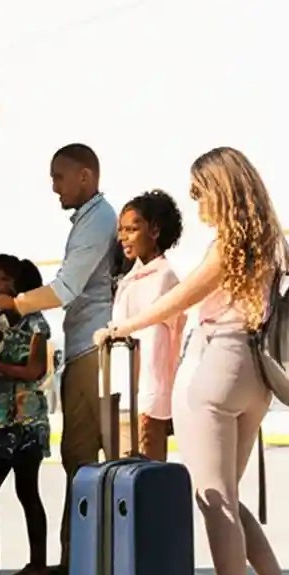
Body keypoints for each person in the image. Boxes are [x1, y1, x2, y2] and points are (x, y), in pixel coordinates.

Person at [95, 147, 289, 575]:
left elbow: (180, 299)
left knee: (211, 500)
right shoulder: (274, 245)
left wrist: (121, 326)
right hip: (256, 377)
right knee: (229, 498)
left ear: (220, 190)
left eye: (200, 195)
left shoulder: (227, 246)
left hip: (214, 369)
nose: (198, 207)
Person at [0, 143, 120, 575]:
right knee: (76, 461)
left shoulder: (99, 219)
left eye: (59, 177)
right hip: (83, 348)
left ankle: (83, 563)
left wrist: (14, 304)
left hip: (93, 350)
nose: (54, 187)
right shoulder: (89, 219)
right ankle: (71, 561)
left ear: (85, 176)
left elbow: (64, 289)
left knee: (90, 462)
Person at [0, 255, 52, 575]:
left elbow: (35, 371)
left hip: (25, 421)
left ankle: (38, 566)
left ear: (9, 284)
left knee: (26, 491)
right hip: (2, 418)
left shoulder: (35, 323)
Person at [110, 189, 186, 460]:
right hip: (122, 389)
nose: (124, 237)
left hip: (148, 394)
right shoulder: (131, 278)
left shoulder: (165, 278)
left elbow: (166, 342)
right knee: (122, 466)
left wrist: (156, 400)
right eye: (121, 230)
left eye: (132, 229)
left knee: (147, 468)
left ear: (154, 231)